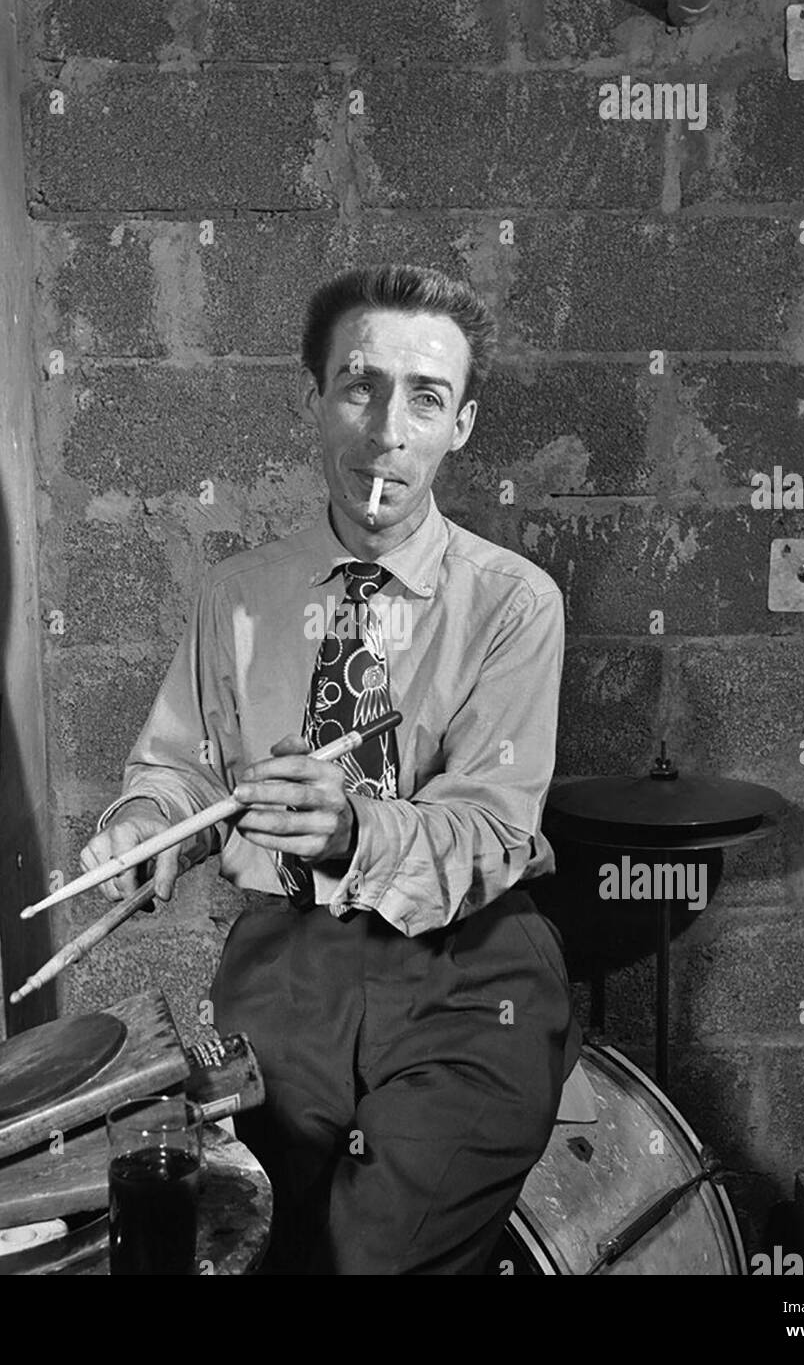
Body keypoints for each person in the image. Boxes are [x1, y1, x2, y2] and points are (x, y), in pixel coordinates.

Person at [82, 263, 582, 1274]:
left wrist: (355, 830)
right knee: (258, 1236)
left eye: (426, 397)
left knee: (379, 1252)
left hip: (469, 960)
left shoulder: (515, 603)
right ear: (316, 398)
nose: (388, 427)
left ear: (461, 425)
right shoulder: (237, 593)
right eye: (360, 385)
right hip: (285, 959)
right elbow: (185, 773)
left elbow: (491, 828)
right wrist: (143, 824)